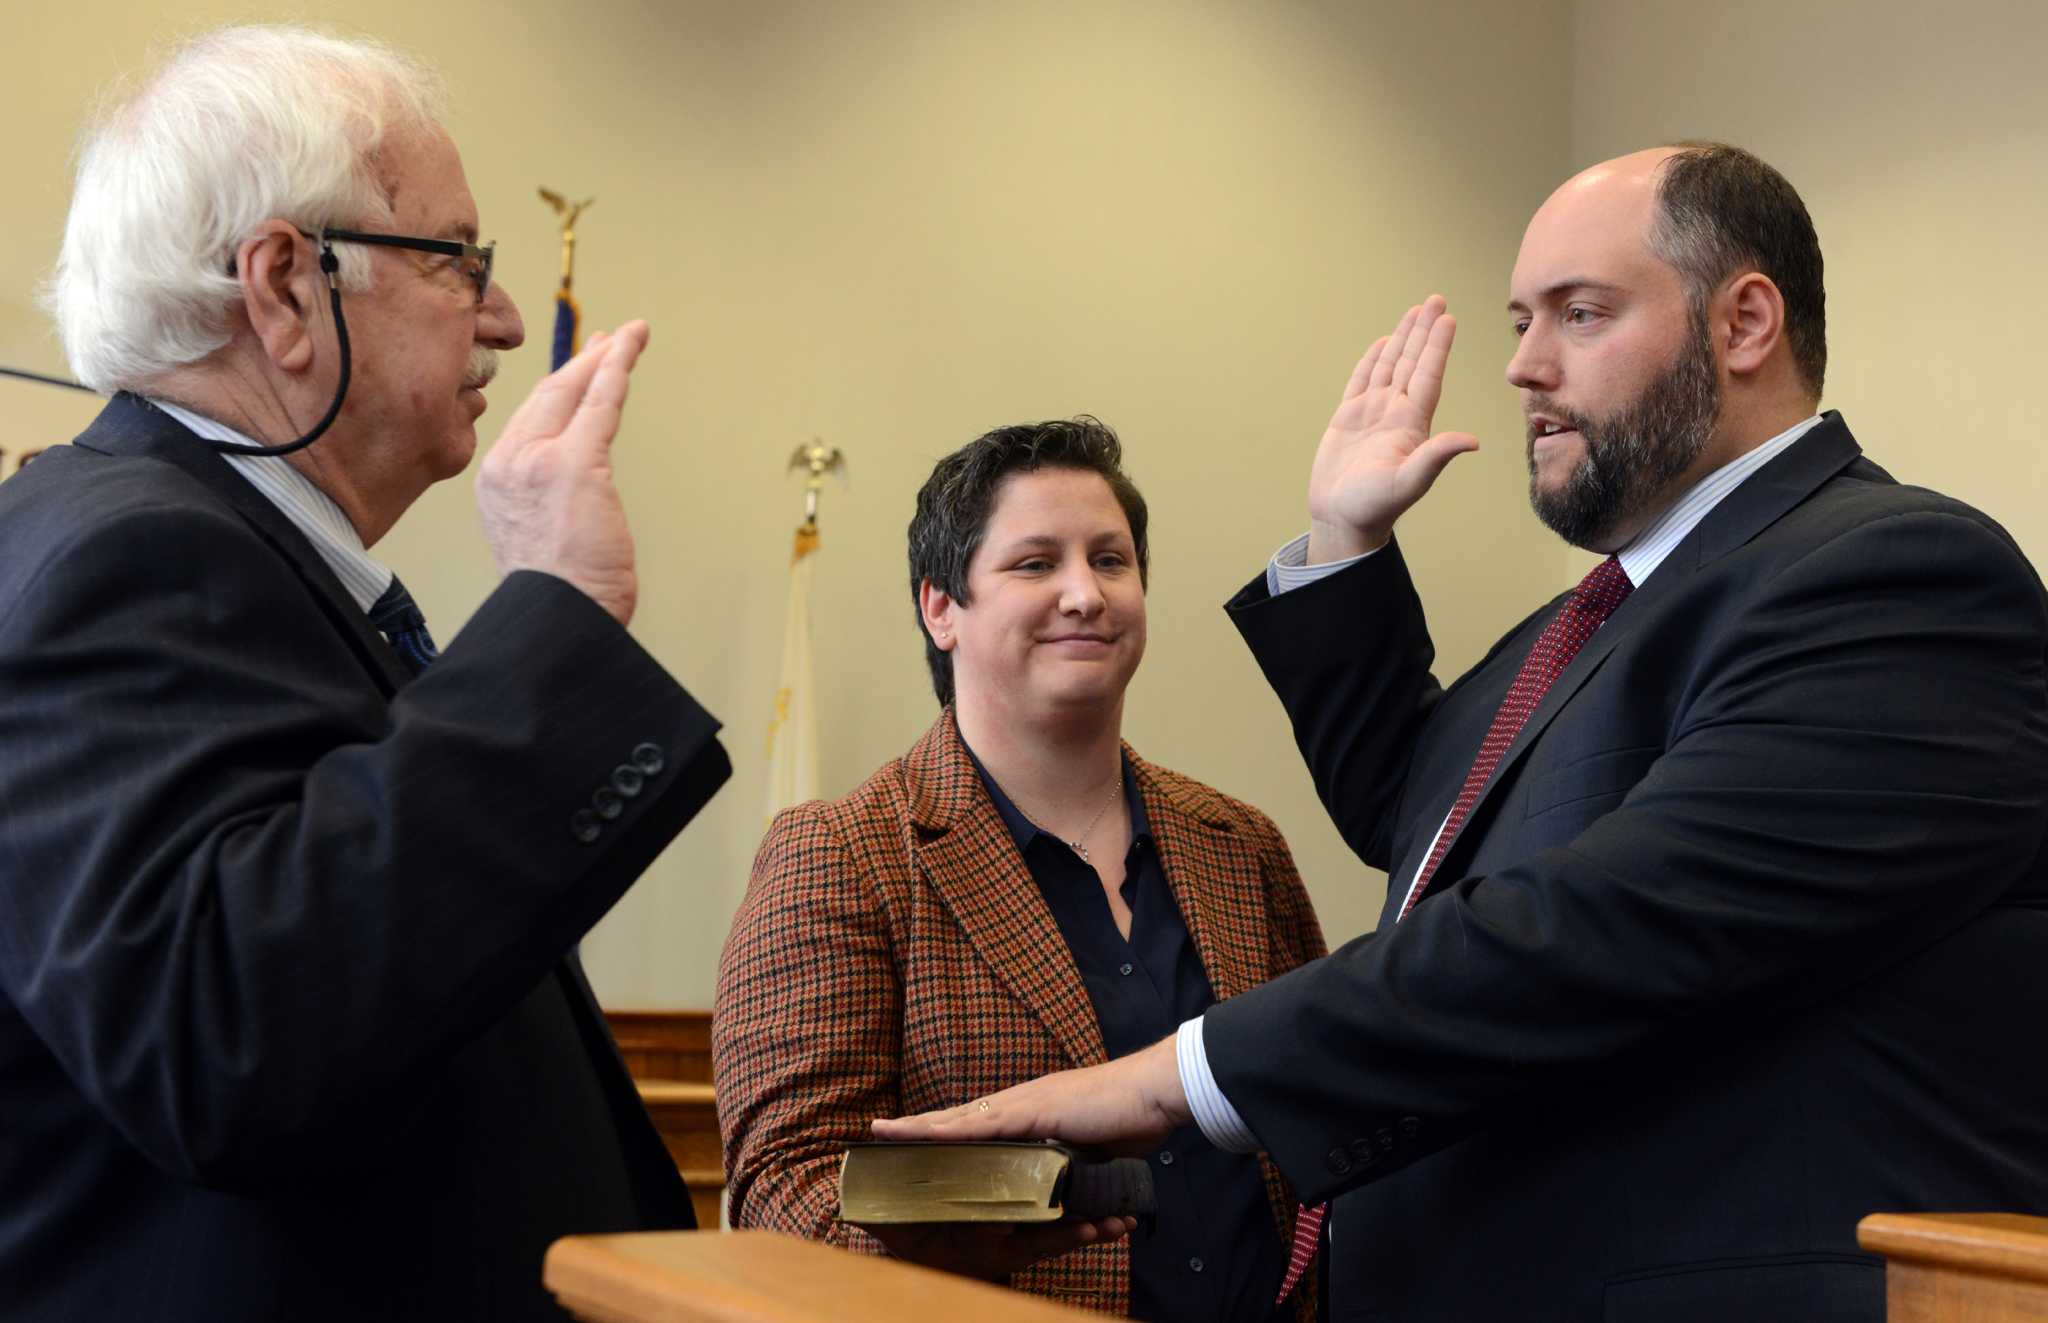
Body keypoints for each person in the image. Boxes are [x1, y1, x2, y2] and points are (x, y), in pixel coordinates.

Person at [877, 144, 2048, 1321]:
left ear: (1743, 321)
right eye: (1518, 322)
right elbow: (1427, 822)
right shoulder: (1606, 613)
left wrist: (1178, 1074)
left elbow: (1603, 926)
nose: (1523, 367)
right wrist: (1344, 545)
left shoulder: (1893, 578)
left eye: (1577, 316)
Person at [0, 27, 730, 1322]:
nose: (504, 315)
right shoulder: (131, 552)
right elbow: (225, 1033)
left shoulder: (205, 547)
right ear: (286, 284)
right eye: (457, 257)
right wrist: (554, 616)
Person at [714, 419, 1327, 1319]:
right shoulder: (841, 855)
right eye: (1036, 563)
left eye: (1111, 560)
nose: (1084, 593)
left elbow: (1323, 1109)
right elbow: (785, 1198)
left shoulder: (1241, 843)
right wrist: (981, 1227)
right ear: (940, 608)